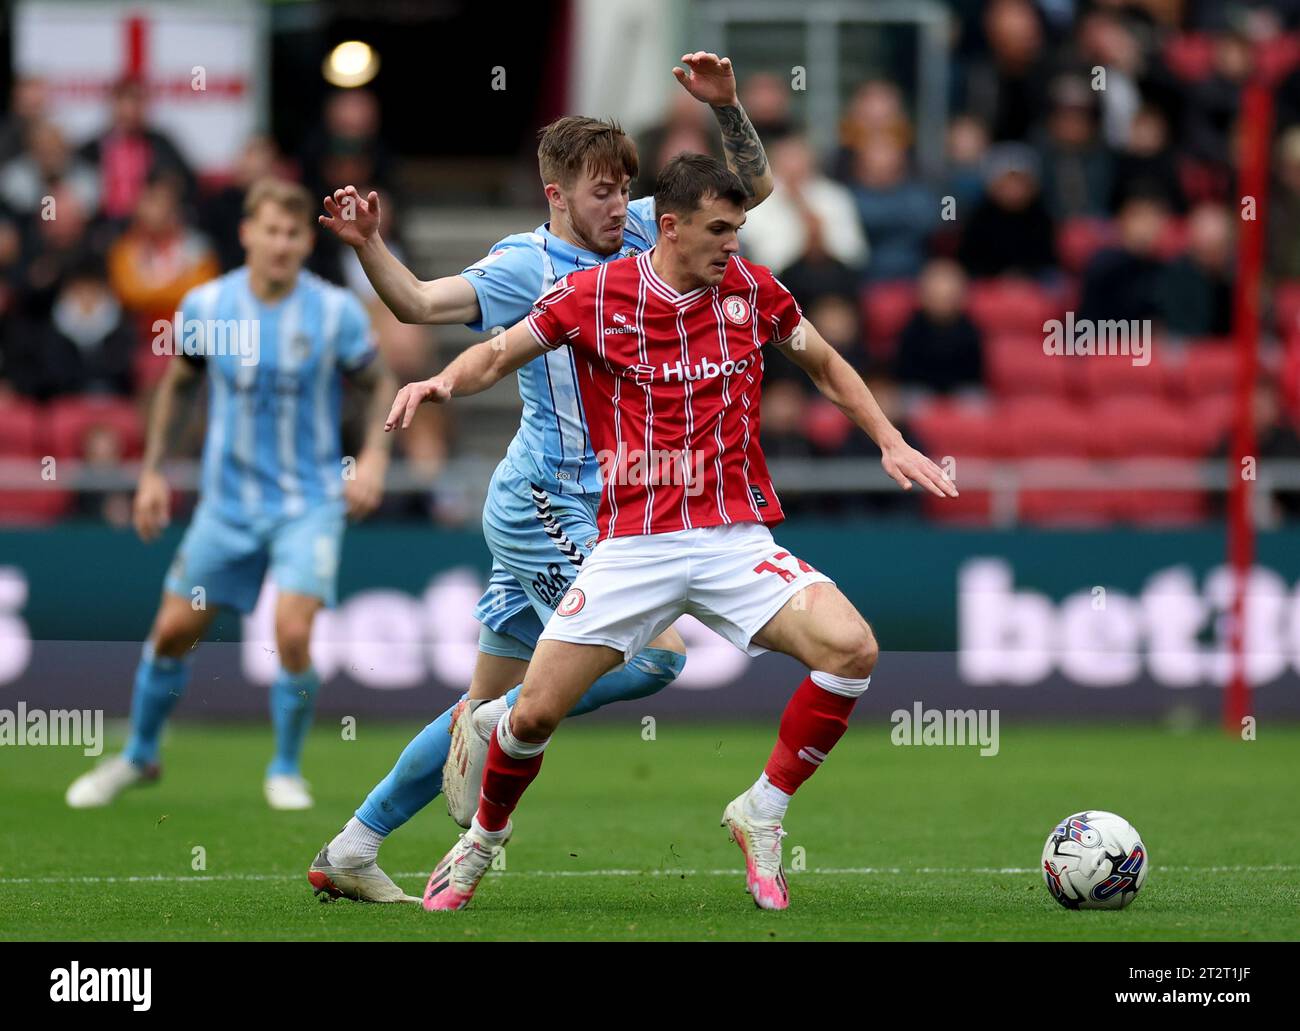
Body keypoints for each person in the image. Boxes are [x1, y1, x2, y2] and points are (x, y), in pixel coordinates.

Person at [386, 154, 955, 912]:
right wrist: (438, 382)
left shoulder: (752, 291)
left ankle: (762, 811)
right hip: (632, 546)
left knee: (852, 650)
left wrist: (888, 437)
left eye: (740, 228)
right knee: (529, 716)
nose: (733, 244)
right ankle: (482, 839)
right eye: (719, 229)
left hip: (732, 538)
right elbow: (498, 350)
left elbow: (825, 363)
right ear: (671, 226)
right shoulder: (596, 294)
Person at [307, 52, 776, 904]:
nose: (618, 204)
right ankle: (498, 727)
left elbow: (752, 191)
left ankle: (352, 844)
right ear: (555, 194)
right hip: (544, 502)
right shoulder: (522, 265)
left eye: (625, 186)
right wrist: (370, 243)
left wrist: (729, 107)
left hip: (592, 502)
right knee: (659, 654)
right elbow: (415, 302)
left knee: (479, 702)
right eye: (601, 190)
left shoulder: (643, 230)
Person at [65, 179, 395, 811]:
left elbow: (380, 383)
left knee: (292, 631)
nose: (280, 243)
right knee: (170, 633)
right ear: (246, 233)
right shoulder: (207, 306)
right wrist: (155, 472)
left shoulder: (334, 312)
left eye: (293, 233)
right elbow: (180, 387)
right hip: (226, 503)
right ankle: (139, 756)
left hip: (309, 502)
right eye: (269, 230)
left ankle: (285, 769)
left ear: (306, 240)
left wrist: (374, 459)